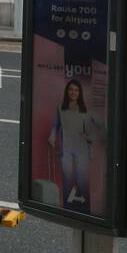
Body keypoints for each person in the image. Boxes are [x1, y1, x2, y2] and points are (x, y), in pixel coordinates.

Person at [47, 79, 97, 211]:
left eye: (76, 90)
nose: (73, 92)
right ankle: (68, 206)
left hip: (82, 148)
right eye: (70, 89)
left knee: (82, 180)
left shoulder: (86, 109)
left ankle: (84, 207)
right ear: (66, 91)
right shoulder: (61, 108)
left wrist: (91, 137)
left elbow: (101, 127)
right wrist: (52, 137)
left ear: (80, 92)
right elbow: (55, 125)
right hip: (66, 148)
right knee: (67, 178)